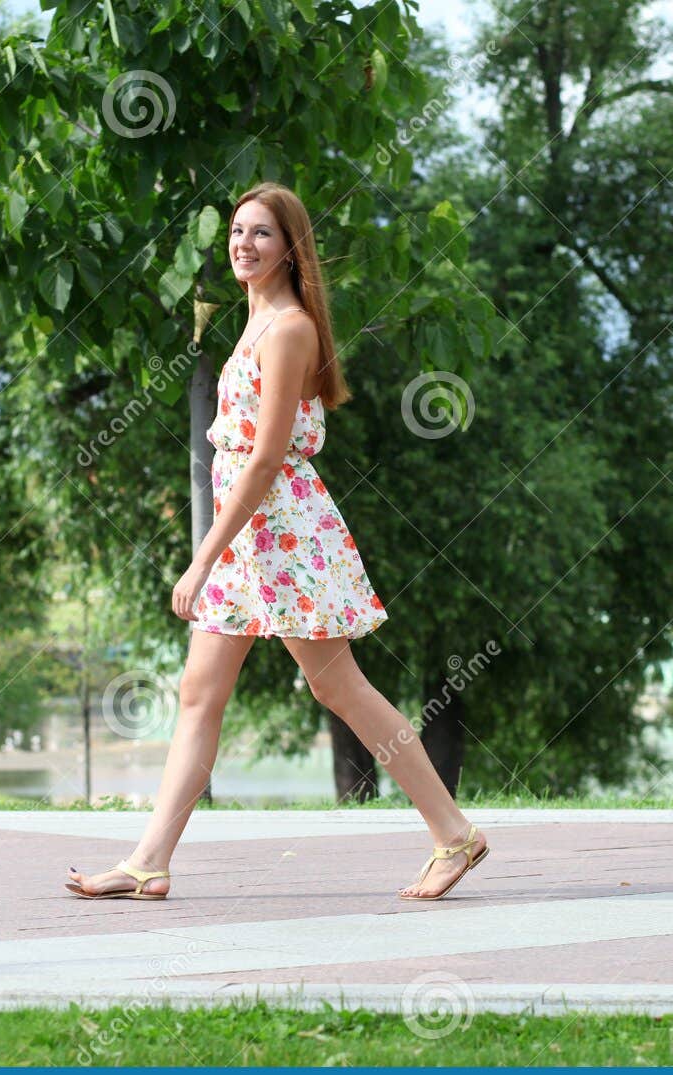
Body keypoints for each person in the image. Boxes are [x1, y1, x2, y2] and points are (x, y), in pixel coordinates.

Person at [66, 182, 489, 904]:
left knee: (339, 684)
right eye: (236, 231)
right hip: (248, 531)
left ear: (290, 247)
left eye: (260, 233)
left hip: (282, 531)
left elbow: (265, 458)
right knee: (199, 692)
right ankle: (148, 860)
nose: (243, 244)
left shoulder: (290, 326)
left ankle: (454, 833)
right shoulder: (256, 319)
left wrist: (203, 555)